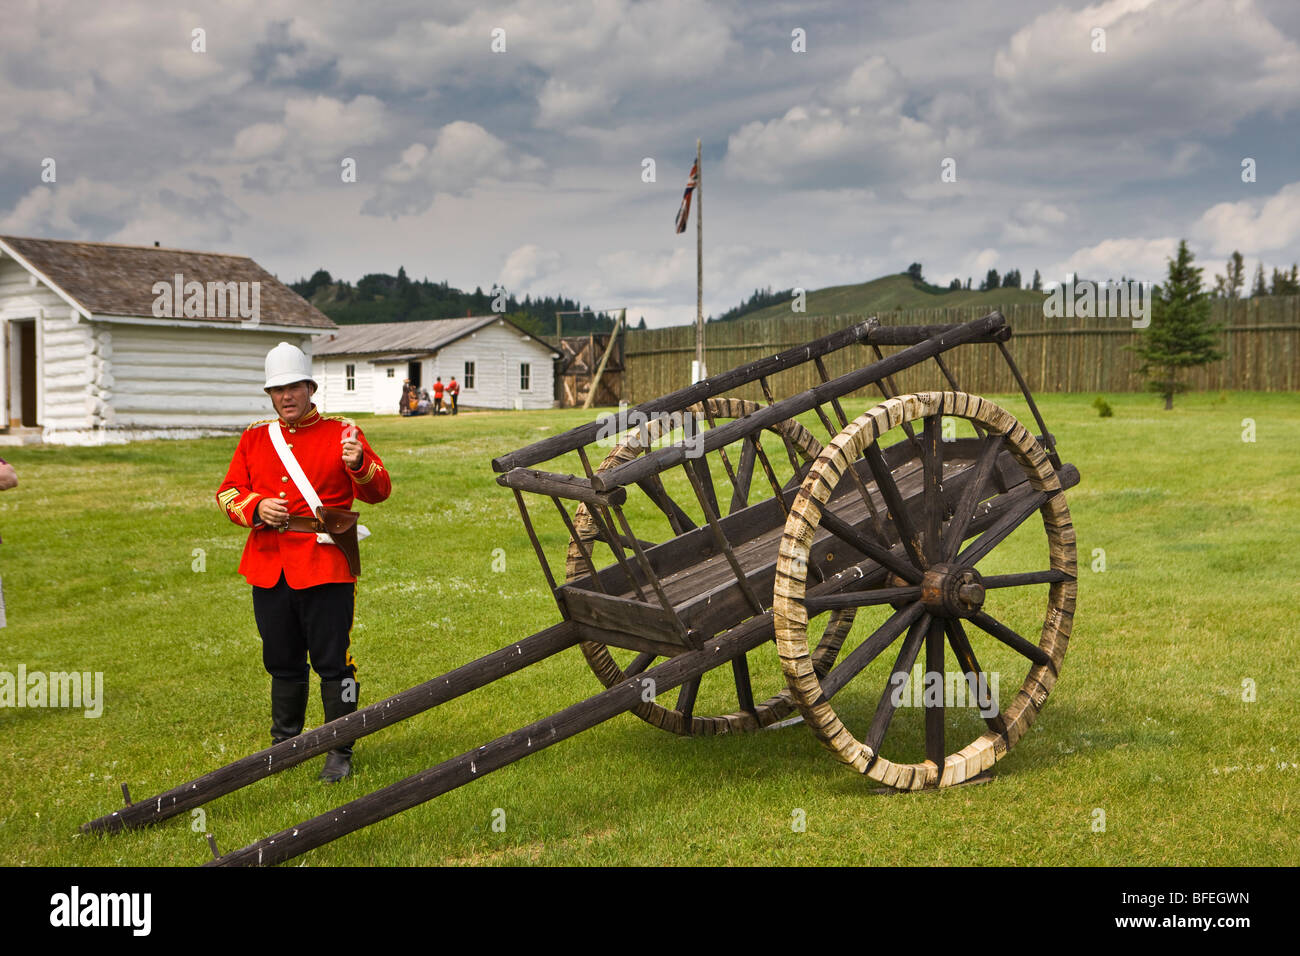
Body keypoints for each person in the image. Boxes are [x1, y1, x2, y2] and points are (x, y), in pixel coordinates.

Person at [217, 342, 391, 782]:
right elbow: (228, 492)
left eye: (294, 387)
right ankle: (285, 745)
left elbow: (380, 490)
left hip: (324, 563)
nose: (286, 397)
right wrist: (256, 507)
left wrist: (359, 464)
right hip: (269, 564)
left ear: (310, 388)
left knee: (334, 662)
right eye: (277, 390)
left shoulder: (342, 432)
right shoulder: (255, 436)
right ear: (270, 394)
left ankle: (340, 748)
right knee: (281, 658)